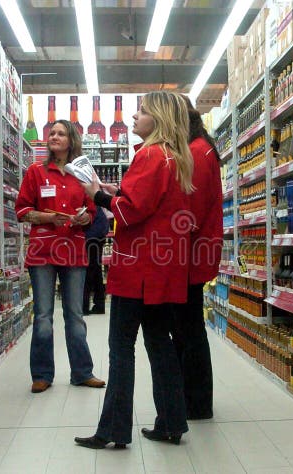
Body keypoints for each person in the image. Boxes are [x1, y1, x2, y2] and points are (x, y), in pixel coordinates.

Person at [74, 91, 194, 449]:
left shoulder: (149, 155)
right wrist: (118, 191)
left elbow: (129, 212)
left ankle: (112, 430)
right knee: (160, 344)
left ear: (158, 117)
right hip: (162, 268)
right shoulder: (175, 157)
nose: (133, 117)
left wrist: (97, 194)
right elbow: (148, 203)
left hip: (137, 269)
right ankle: (173, 421)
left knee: (121, 348)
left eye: (141, 112)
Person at [15, 119, 106, 394]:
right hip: (42, 251)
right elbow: (21, 211)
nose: (54, 136)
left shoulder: (83, 174)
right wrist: (47, 217)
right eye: (52, 132)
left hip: (74, 250)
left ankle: (82, 372)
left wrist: (84, 218)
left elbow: (93, 212)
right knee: (43, 315)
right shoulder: (35, 172)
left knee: (75, 314)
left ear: (71, 140)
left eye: (60, 133)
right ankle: (42, 374)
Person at [170, 95, 223, 420]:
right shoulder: (199, 148)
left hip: (189, 255)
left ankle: (197, 402)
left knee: (189, 330)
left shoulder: (196, 153)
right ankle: (193, 398)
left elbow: (190, 210)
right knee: (188, 329)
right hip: (192, 253)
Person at [83, 207, 109, 315]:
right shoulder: (95, 203)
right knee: (96, 270)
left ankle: (84, 306)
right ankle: (99, 305)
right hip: (98, 234)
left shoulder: (86, 199)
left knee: (88, 271)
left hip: (91, 236)